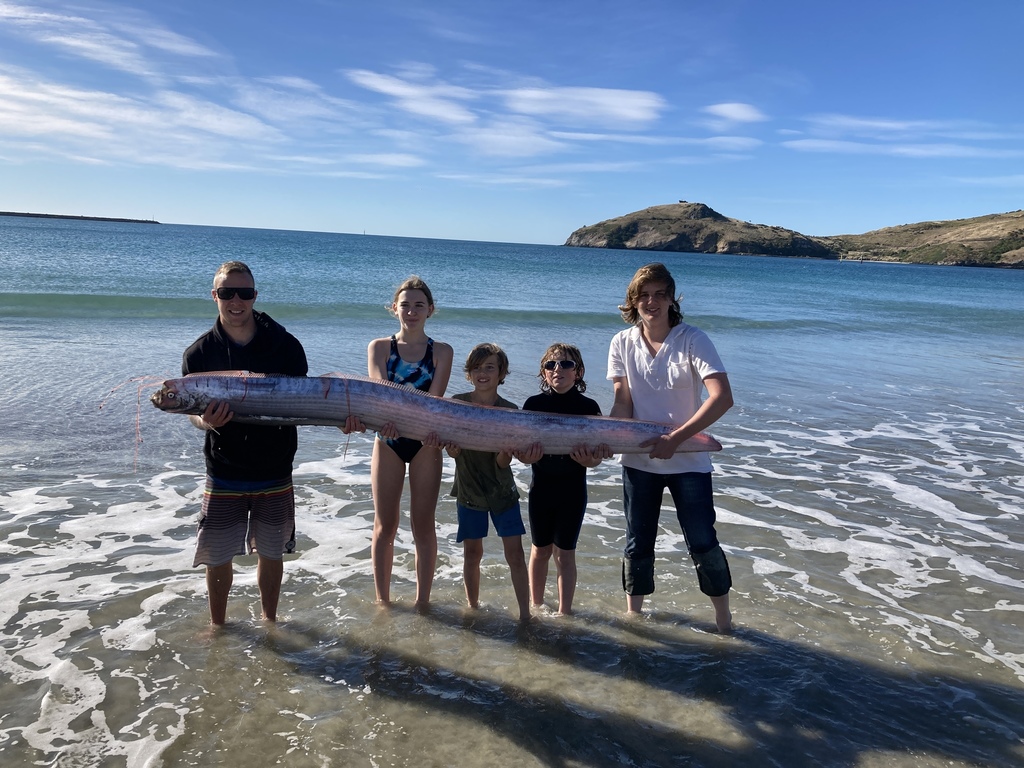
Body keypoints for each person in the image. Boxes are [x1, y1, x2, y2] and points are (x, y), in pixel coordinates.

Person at [607, 263, 735, 632]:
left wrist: (675, 439)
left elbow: (722, 397)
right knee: (637, 543)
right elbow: (622, 403)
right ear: (633, 300)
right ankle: (634, 620)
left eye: (660, 294)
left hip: (689, 461)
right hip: (639, 461)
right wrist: (606, 439)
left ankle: (724, 622)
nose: (652, 302)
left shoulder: (692, 339)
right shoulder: (621, 342)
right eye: (644, 295)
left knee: (702, 541)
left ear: (671, 299)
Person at [182, 260, 308, 625]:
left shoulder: (285, 345)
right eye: (227, 293)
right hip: (224, 469)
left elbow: (306, 402)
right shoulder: (198, 354)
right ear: (215, 296)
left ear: (255, 296)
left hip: (275, 466)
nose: (236, 301)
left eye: (245, 293)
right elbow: (191, 413)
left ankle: (270, 622)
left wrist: (345, 420)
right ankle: (218, 627)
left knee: (272, 552)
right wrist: (205, 421)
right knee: (218, 555)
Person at [366, 276, 453, 607]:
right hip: (387, 441)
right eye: (405, 305)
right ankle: (383, 602)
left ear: (430, 309)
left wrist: (416, 425)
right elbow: (381, 394)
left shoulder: (441, 352)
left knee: (423, 526)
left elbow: (434, 401)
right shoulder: (379, 348)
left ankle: (422, 604)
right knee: (385, 526)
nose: (412, 311)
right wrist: (389, 421)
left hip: (425, 443)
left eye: (419, 305)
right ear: (394, 308)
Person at [430, 343, 531, 622]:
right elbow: (453, 452)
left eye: (489, 367)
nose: (482, 373)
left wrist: (505, 453)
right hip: (469, 490)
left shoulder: (510, 411)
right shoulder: (456, 404)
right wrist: (451, 449)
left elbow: (503, 463)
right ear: (469, 373)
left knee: (515, 554)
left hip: (502, 492)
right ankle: (472, 608)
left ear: (501, 373)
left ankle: (525, 614)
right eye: (476, 368)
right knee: (472, 553)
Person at [516, 343, 610, 615]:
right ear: (544, 373)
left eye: (566, 364)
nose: (558, 369)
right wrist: (527, 457)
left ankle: (564, 613)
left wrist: (589, 460)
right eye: (551, 365)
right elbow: (522, 452)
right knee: (540, 550)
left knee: (565, 554)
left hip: (573, 491)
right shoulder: (533, 405)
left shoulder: (589, 407)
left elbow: (596, 458)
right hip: (541, 489)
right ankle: (536, 605)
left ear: (578, 372)